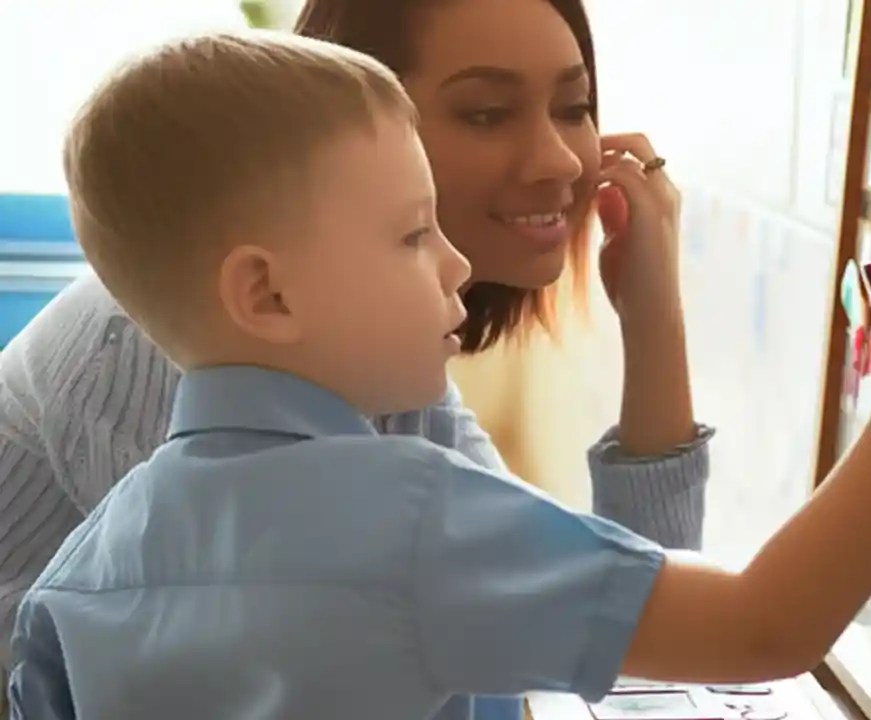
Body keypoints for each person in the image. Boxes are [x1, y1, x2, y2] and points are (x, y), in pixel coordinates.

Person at [6, 30, 871, 720]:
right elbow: (764, 625)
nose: (452, 262)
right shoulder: (413, 515)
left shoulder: (85, 567)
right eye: (413, 236)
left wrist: (652, 317)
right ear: (266, 296)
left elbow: (623, 594)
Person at [0, 4, 707, 717]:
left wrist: (653, 320)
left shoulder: (368, 364)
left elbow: (634, 640)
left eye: (574, 106)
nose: (560, 157)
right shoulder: (189, 355)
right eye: (488, 113)